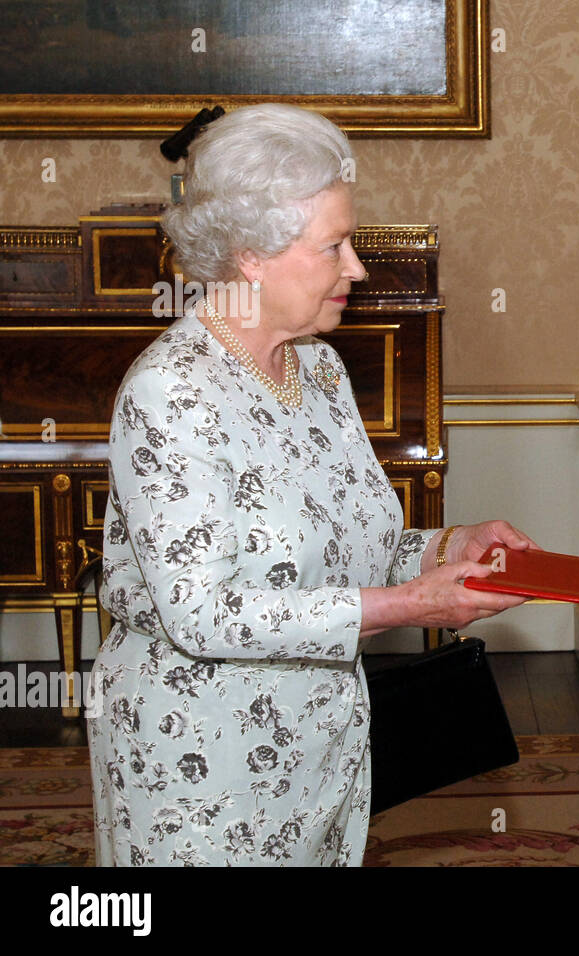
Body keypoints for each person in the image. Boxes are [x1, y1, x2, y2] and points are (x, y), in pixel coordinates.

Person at [87, 103, 532, 866]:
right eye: (334, 246)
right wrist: (407, 608)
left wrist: (450, 547)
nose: (356, 266)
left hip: (323, 751)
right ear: (253, 254)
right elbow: (203, 614)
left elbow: (362, 545)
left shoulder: (318, 370)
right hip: (202, 765)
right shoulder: (172, 393)